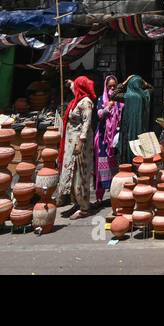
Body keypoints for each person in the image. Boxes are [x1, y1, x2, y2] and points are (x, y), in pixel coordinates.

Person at [57, 75, 98, 219]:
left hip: (80, 145)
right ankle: (77, 203)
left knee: (81, 175)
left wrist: (81, 142)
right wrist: (69, 82)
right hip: (71, 144)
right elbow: (74, 85)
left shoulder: (86, 102)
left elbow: (86, 124)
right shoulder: (77, 100)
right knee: (72, 174)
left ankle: (84, 208)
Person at [94, 74, 123, 203]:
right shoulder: (101, 99)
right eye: (109, 86)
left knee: (115, 166)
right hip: (102, 137)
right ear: (106, 87)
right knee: (100, 167)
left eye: (114, 86)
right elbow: (99, 115)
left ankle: (115, 194)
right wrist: (108, 107)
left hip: (115, 138)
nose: (112, 88)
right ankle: (99, 197)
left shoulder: (120, 101)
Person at [116, 74, 152, 164]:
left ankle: (128, 166)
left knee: (129, 145)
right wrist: (144, 82)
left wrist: (125, 82)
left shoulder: (126, 96)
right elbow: (151, 88)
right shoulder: (145, 95)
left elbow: (113, 95)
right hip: (141, 129)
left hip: (128, 129)